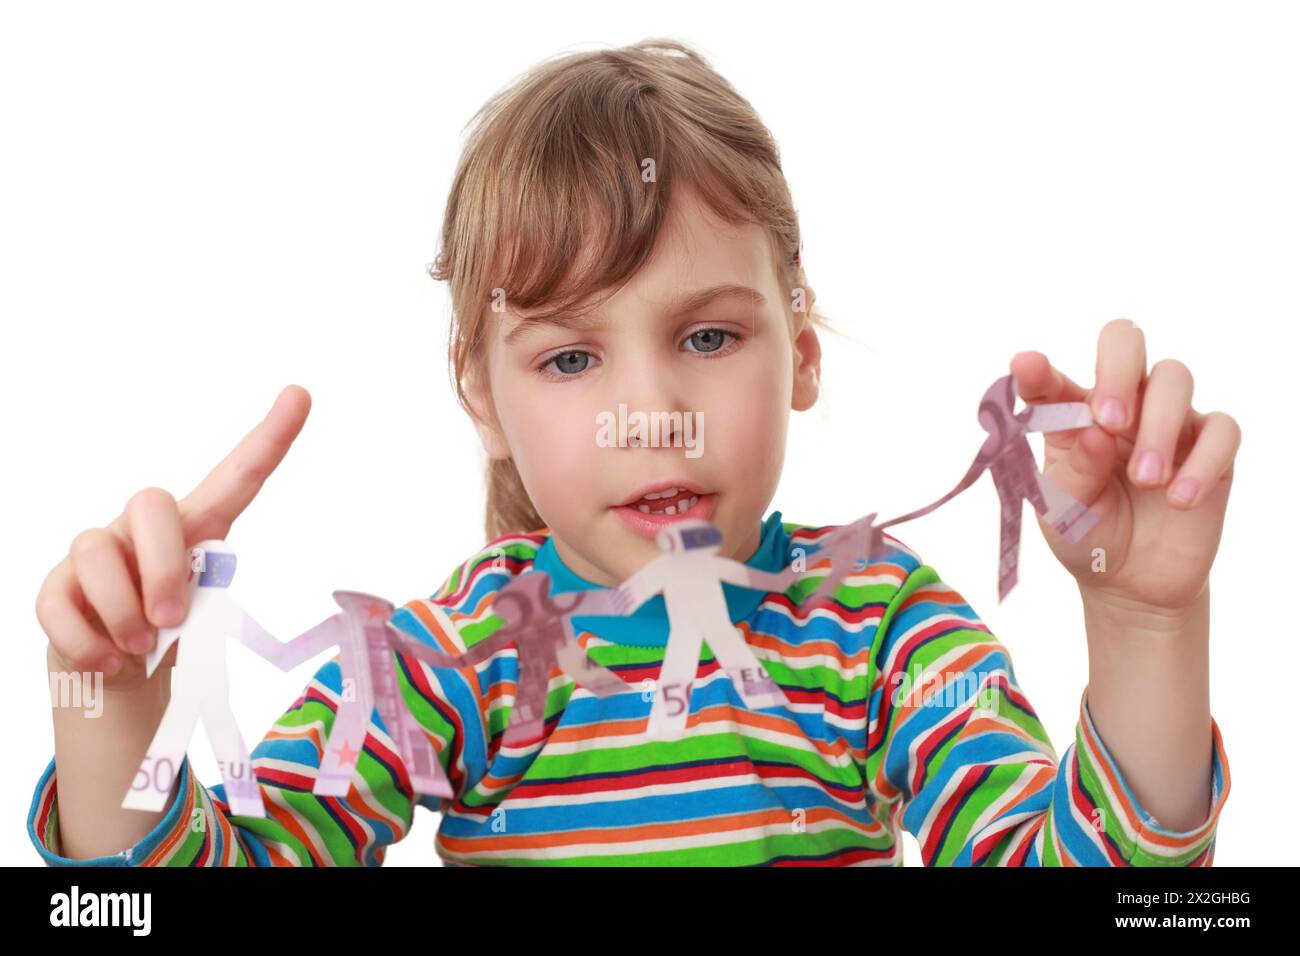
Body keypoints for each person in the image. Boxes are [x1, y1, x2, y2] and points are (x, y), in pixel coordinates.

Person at [30, 38, 1235, 866]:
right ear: (482, 398)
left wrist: (1143, 627)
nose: (652, 409)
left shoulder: (879, 629)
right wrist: (112, 714)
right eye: (569, 359)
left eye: (708, 334)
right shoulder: (446, 664)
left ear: (799, 356)